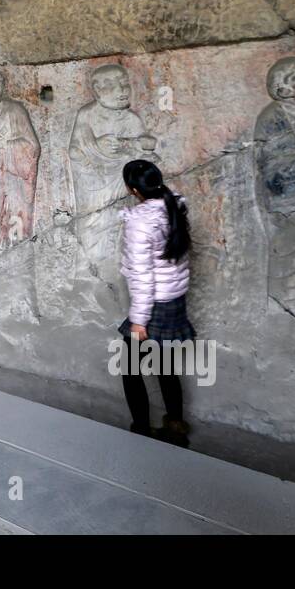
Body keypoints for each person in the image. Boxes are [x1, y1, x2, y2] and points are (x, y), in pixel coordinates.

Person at [117, 159, 193, 446]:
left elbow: (142, 277)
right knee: (165, 366)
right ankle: (176, 427)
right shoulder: (173, 206)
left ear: (133, 189)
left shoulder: (140, 222)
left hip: (155, 304)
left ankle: (140, 430)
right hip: (175, 299)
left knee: (130, 369)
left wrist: (139, 321)